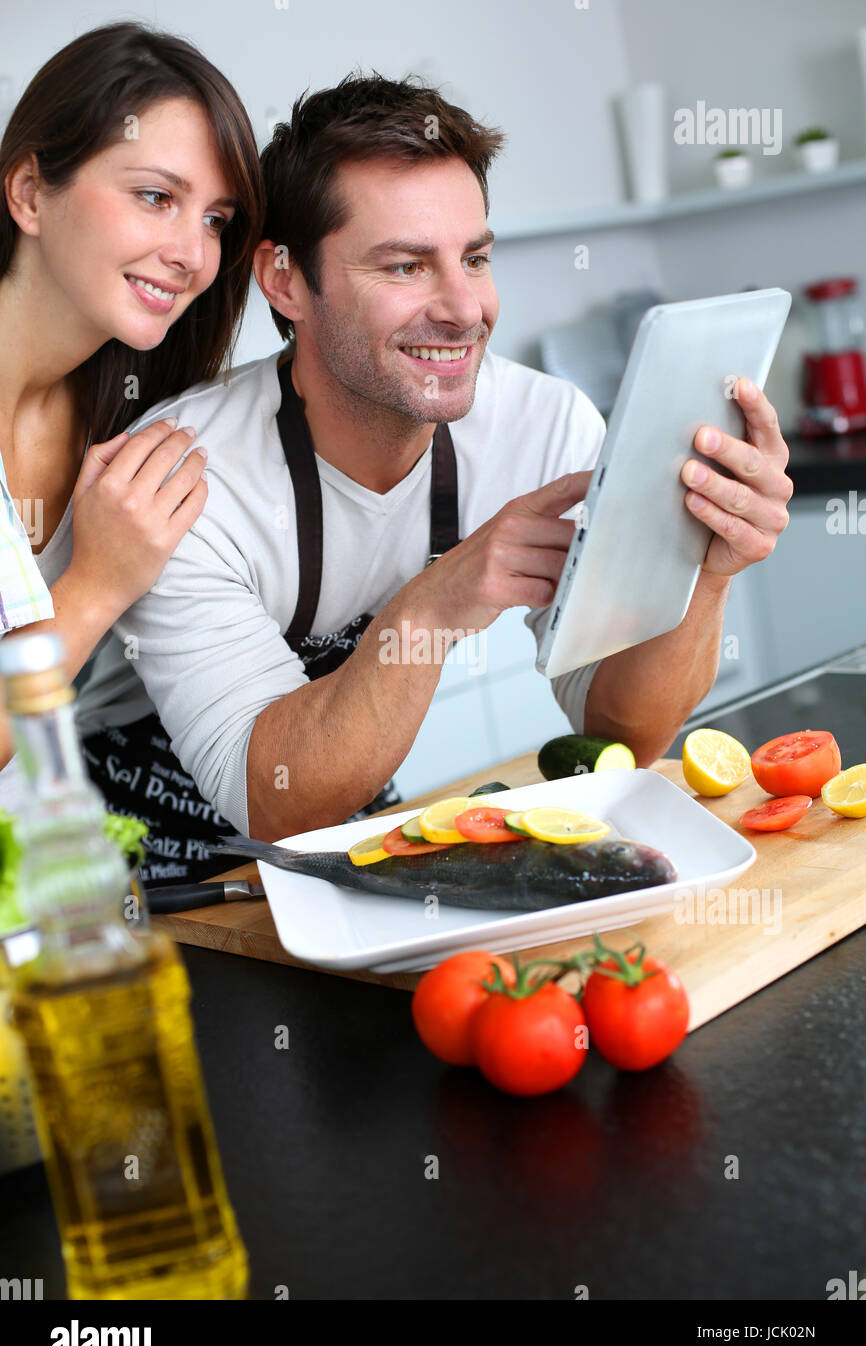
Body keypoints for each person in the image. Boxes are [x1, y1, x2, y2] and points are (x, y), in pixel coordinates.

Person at [81, 73, 793, 880]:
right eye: (405, 267)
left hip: (345, 813)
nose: (464, 308)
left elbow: (621, 732)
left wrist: (705, 565)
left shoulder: (546, 427)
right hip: (141, 855)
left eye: (475, 259)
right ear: (285, 280)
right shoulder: (186, 476)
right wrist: (433, 604)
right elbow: (275, 800)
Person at [0, 22, 264, 825]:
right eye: (157, 197)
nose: (194, 255)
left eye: (216, 219)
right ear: (29, 193)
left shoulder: (126, 410)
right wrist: (97, 584)